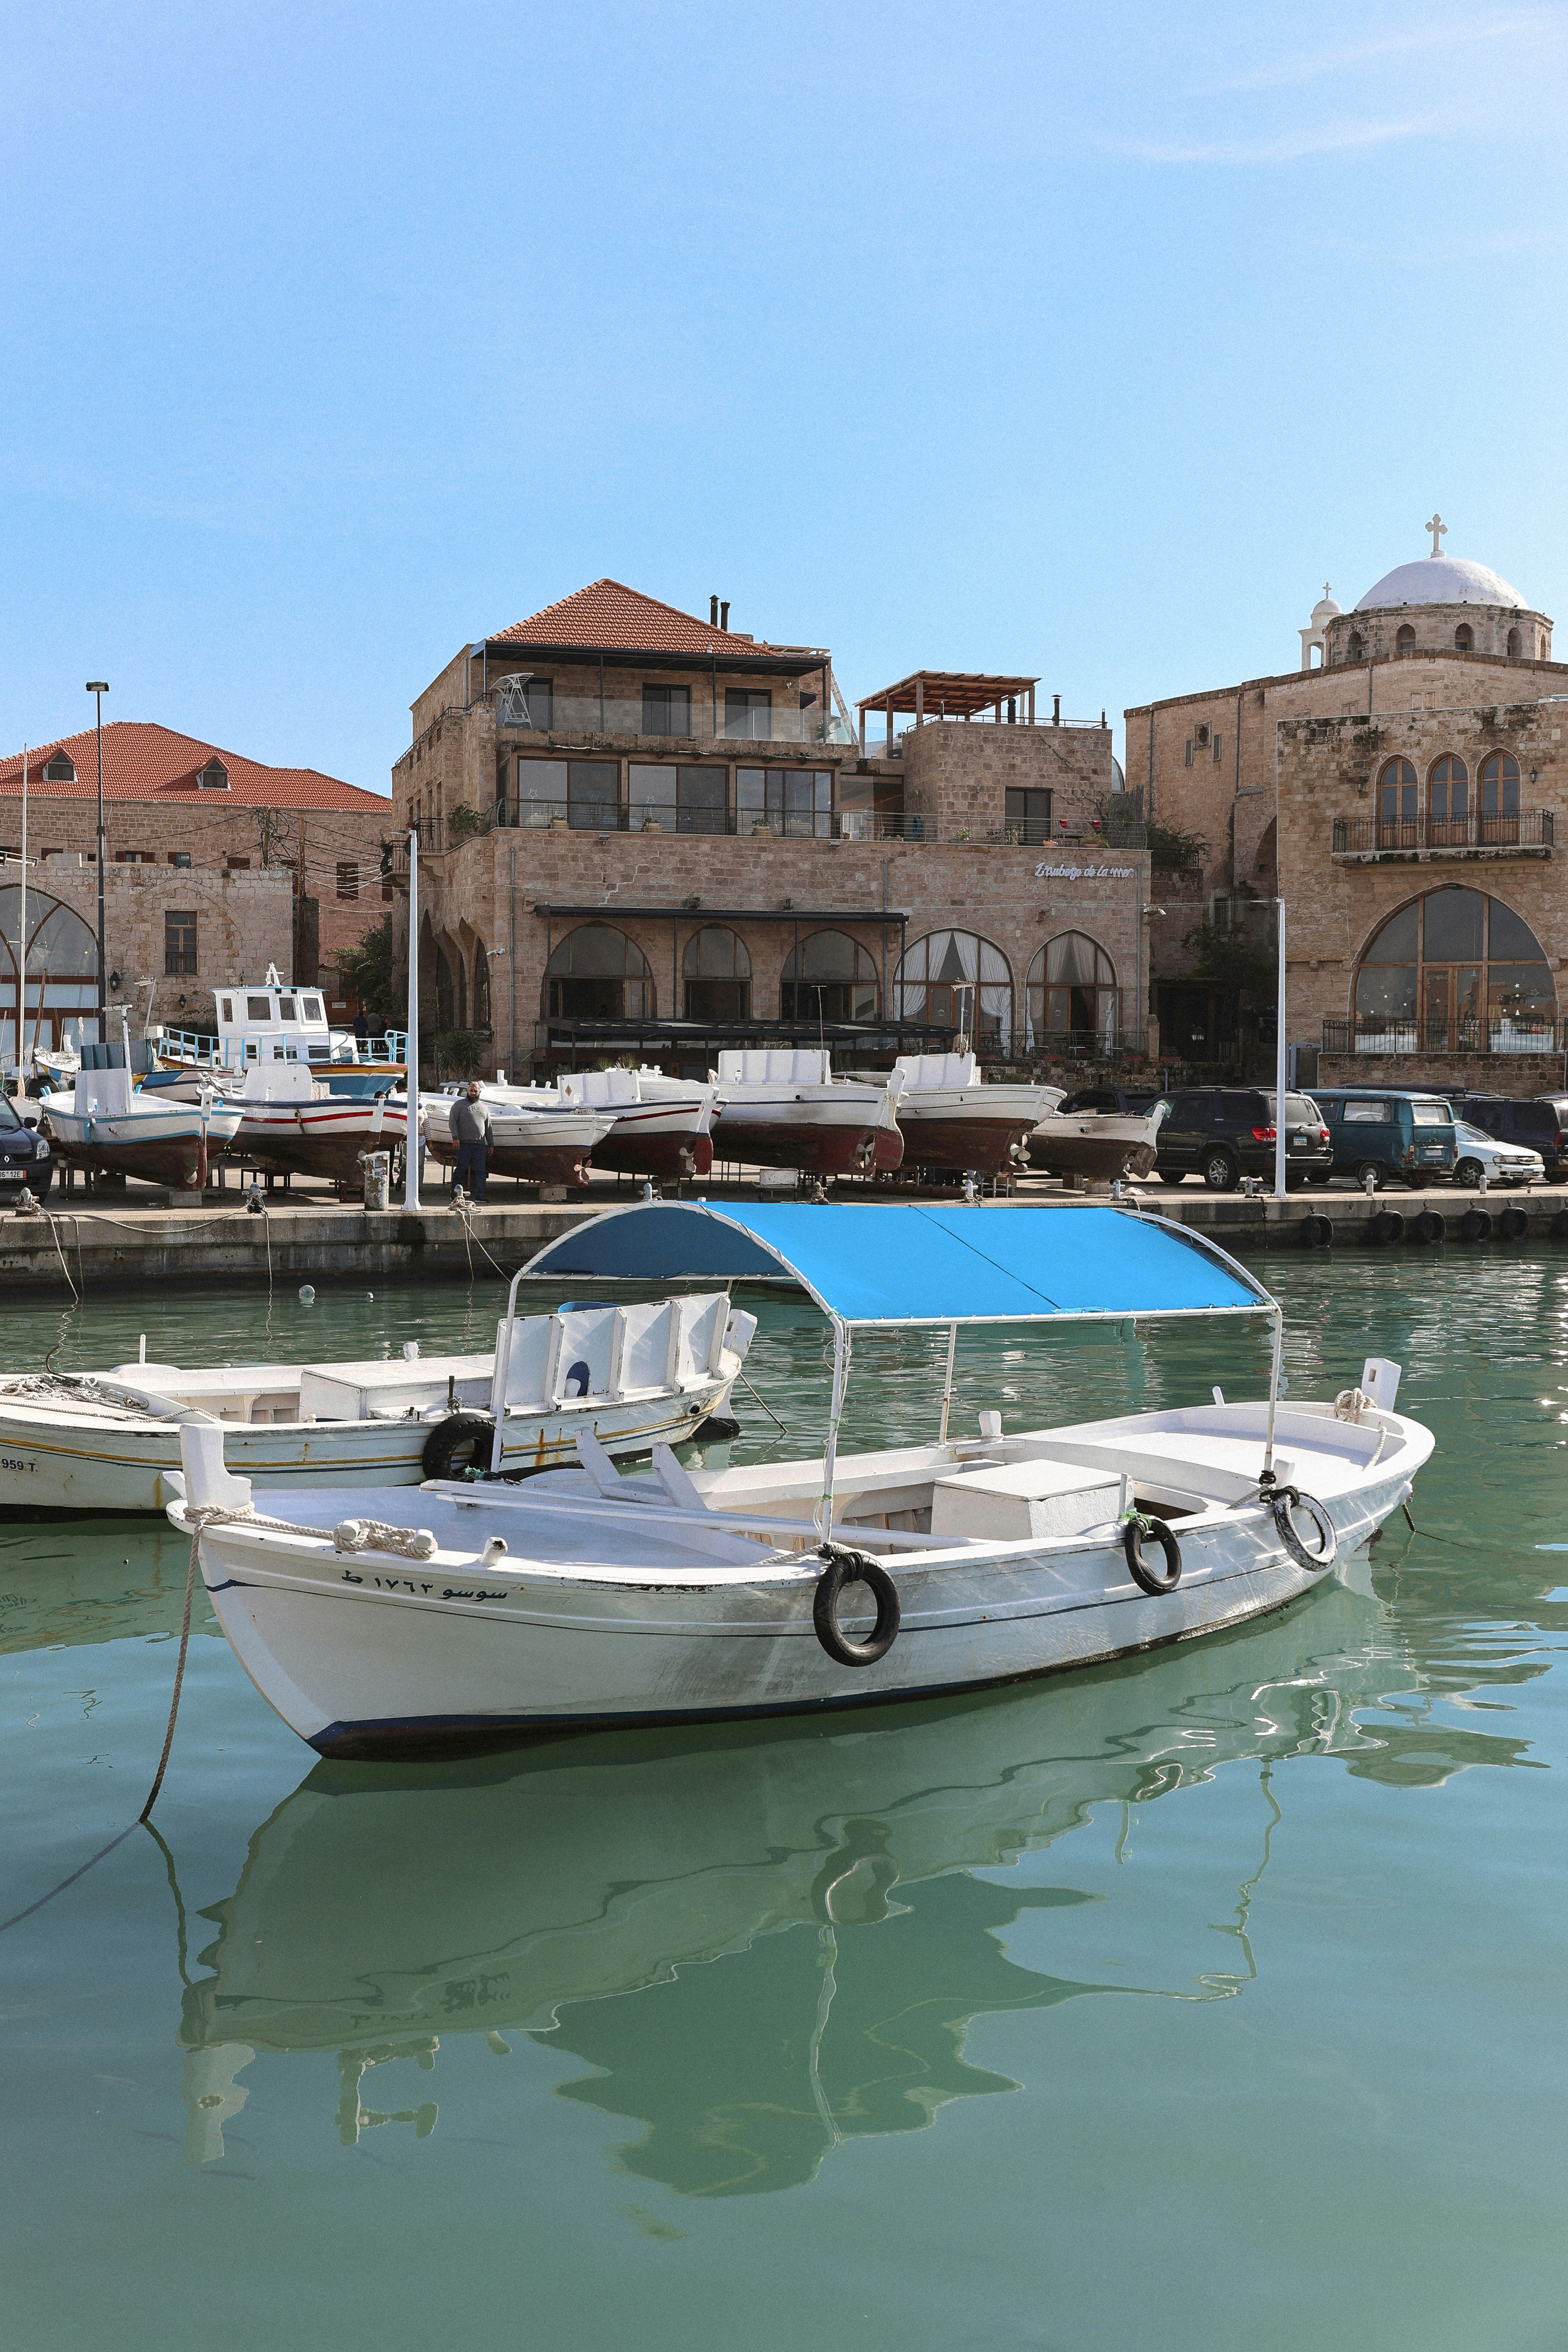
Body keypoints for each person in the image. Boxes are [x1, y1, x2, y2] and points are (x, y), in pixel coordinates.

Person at [450, 1080, 491, 1202]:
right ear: (467, 1091)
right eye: (471, 1091)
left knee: (481, 1171)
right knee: (461, 1169)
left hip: (480, 1145)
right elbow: (453, 1122)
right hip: (464, 1144)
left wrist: (491, 1144)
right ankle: (455, 1193)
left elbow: (488, 1127)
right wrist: (455, 1138)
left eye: (475, 1091)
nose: (473, 1093)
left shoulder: (484, 1108)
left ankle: (480, 1195)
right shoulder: (459, 1105)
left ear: (479, 1092)